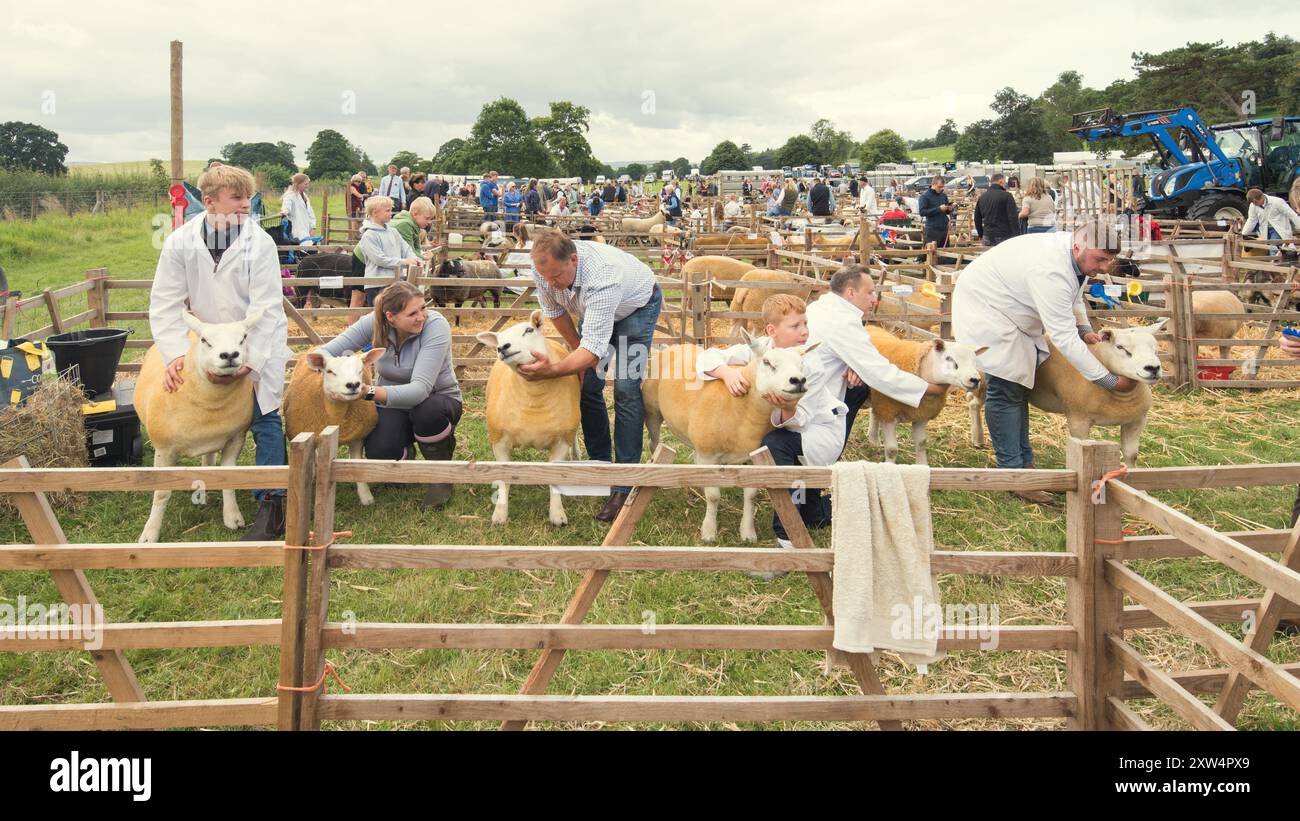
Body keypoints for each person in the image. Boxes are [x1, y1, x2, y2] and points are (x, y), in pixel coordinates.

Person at [150, 164, 291, 539]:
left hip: (255, 342)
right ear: (209, 202)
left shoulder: (260, 243)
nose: (246, 205)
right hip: (208, 343)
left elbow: (268, 308)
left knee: (264, 417)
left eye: (248, 197)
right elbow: (165, 302)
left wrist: (251, 359)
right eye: (237, 198)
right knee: (196, 406)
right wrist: (175, 353)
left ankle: (272, 505)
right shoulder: (179, 242)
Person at [952, 219, 1139, 503]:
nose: (1104, 267)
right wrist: (1108, 380)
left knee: (1017, 389)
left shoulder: (1076, 257)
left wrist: (1085, 327)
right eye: (1100, 259)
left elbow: (1074, 294)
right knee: (1005, 388)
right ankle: (1013, 476)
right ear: (1079, 246)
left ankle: (1025, 469)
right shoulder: (1051, 270)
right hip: (987, 309)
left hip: (1012, 309)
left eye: (1109, 261)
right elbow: (1063, 337)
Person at [698, 294, 849, 569]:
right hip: (799, 432)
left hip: (819, 433)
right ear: (771, 331)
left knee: (773, 443)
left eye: (805, 324)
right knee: (812, 510)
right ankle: (829, 507)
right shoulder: (763, 350)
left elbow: (801, 419)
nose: (804, 331)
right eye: (795, 326)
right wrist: (727, 374)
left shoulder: (809, 364)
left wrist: (787, 408)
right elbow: (707, 355)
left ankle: (786, 536)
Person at [520, 231, 663, 522]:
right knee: (586, 387)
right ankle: (600, 467)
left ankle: (624, 483)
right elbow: (555, 310)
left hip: (636, 308)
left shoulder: (602, 276)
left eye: (557, 276)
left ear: (573, 260)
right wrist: (575, 351)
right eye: (545, 277)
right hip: (594, 309)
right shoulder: (544, 267)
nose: (550, 283)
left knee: (625, 388)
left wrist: (555, 370)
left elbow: (594, 351)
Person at [318, 281, 462, 508]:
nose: (421, 316)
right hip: (392, 403)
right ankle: (406, 459)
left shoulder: (436, 326)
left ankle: (441, 476)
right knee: (379, 450)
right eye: (412, 313)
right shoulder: (374, 323)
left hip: (437, 398)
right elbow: (325, 351)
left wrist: (368, 392)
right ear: (390, 317)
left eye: (423, 308)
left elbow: (419, 390)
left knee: (427, 412)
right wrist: (334, 371)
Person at [804, 264, 946, 442]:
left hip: (809, 385)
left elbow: (842, 350)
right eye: (870, 293)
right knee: (862, 386)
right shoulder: (844, 323)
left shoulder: (821, 307)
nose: (875, 300)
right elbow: (880, 373)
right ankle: (834, 441)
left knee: (859, 386)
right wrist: (929, 388)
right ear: (850, 293)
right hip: (815, 399)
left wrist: (853, 364)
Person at [354, 195, 423, 308]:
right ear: (375, 213)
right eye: (387, 210)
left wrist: (415, 259)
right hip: (377, 284)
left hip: (395, 282)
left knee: (396, 316)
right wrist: (405, 262)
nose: (391, 213)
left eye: (391, 210)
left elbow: (406, 249)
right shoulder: (369, 235)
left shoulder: (393, 232)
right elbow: (379, 259)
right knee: (380, 318)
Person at [973, 173, 1021, 246]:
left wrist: (981, 234)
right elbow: (1012, 218)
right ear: (1001, 181)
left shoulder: (982, 197)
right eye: (1004, 182)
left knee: (990, 257)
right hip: (1004, 235)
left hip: (987, 235)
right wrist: (1017, 235)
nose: (1005, 184)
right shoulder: (1007, 196)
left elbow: (977, 218)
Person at [279, 173, 319, 242]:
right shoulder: (290, 195)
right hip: (297, 230)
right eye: (305, 184)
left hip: (306, 230)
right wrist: (285, 211)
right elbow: (287, 205)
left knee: (307, 249)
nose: (307, 186)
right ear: (298, 184)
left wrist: (313, 227)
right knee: (300, 249)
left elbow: (310, 213)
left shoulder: (304, 196)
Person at [917, 175, 953, 248]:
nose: (941, 189)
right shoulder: (925, 196)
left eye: (942, 187)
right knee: (930, 253)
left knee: (945, 253)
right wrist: (939, 209)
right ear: (933, 184)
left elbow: (946, 211)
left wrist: (949, 209)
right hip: (932, 229)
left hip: (943, 228)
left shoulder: (943, 195)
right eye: (939, 187)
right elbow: (922, 212)